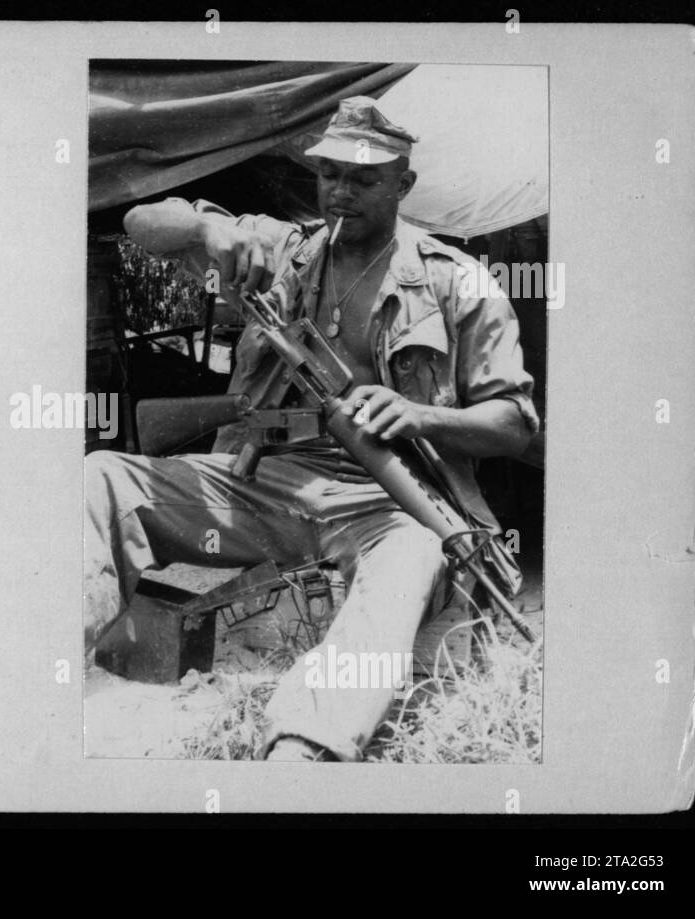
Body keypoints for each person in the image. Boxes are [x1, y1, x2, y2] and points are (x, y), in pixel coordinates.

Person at [84, 97, 539, 762]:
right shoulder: (285, 250)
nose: (340, 192)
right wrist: (208, 230)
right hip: (265, 487)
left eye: (363, 179)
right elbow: (139, 219)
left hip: (385, 503)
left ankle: (304, 744)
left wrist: (418, 415)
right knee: (102, 476)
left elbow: (515, 423)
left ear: (403, 185)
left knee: (416, 555)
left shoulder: (458, 284)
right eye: (329, 174)